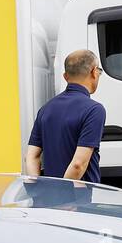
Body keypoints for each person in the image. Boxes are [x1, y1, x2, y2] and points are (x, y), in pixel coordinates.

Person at [26, 49, 104, 183]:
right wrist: (65, 197)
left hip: (48, 197)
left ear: (65, 76)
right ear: (94, 72)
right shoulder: (94, 110)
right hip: (79, 199)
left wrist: (36, 189)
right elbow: (78, 164)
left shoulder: (46, 109)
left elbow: (31, 157)